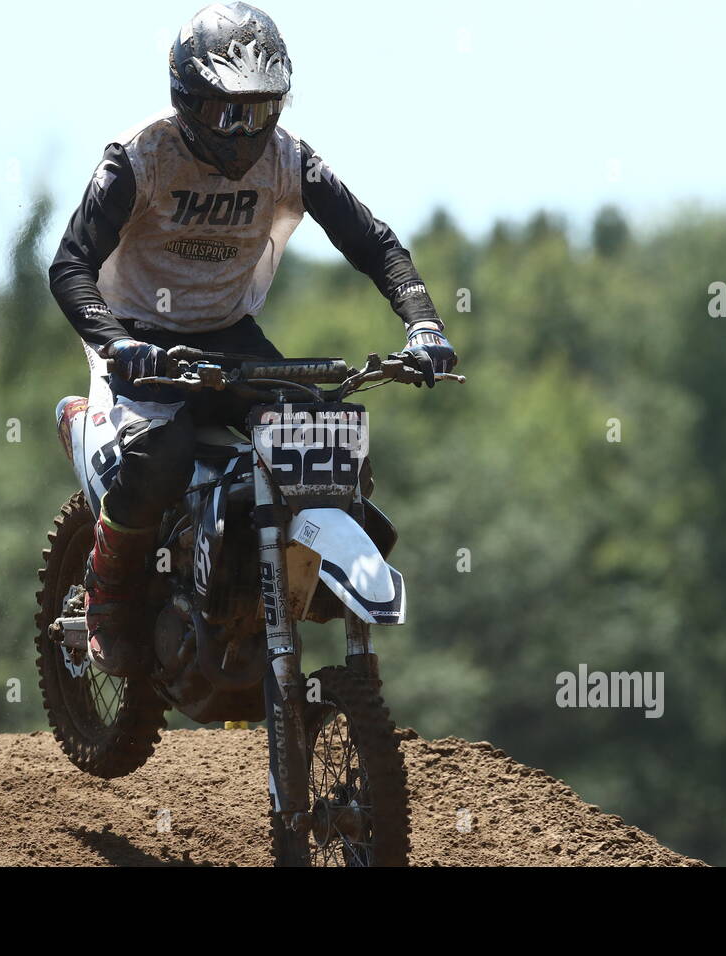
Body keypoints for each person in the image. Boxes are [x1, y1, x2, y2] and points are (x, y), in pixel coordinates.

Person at [49, 1, 457, 676]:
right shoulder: (138, 156)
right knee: (160, 449)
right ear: (186, 98)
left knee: (325, 434)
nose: (246, 131)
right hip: (139, 339)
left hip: (230, 335)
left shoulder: (291, 161)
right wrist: (115, 342)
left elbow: (373, 243)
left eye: (263, 110)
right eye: (228, 111)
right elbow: (70, 265)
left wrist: (424, 323)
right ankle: (111, 599)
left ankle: (286, 566)